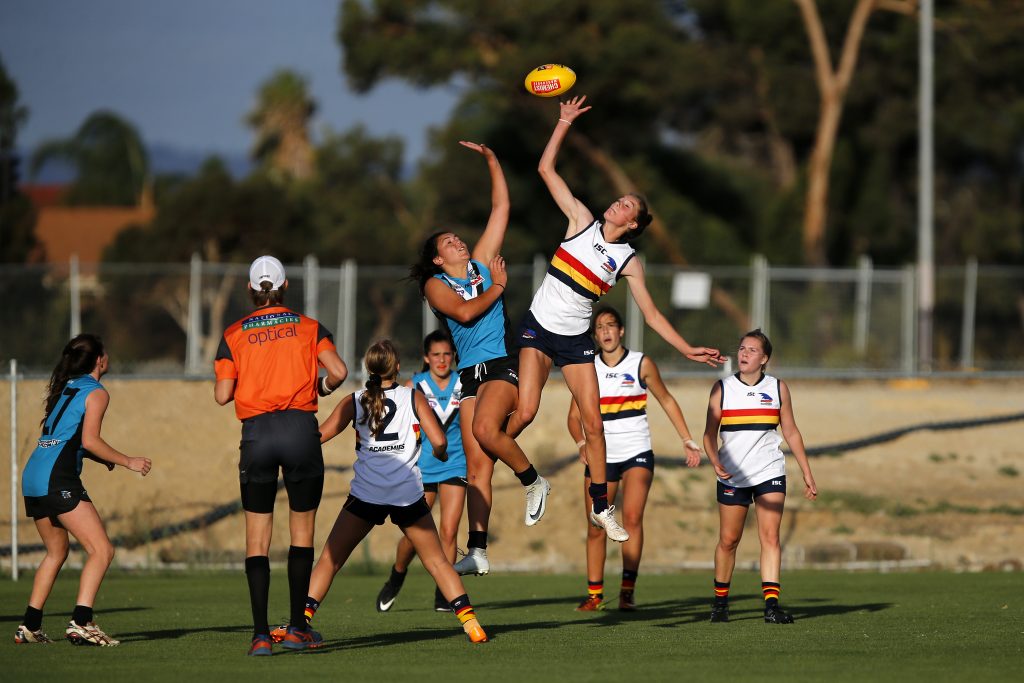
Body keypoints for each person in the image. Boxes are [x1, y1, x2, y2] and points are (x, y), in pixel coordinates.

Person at [505, 95, 724, 543]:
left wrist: (685, 347)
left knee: (593, 420)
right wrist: (563, 122)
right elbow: (546, 170)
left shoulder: (628, 260)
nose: (618, 205)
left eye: (627, 206)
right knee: (524, 411)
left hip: (574, 340)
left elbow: (652, 313)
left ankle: (602, 507)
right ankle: (507, 470)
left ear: (634, 225)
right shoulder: (580, 219)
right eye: (620, 200)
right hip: (537, 327)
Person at [409, 141, 548, 578]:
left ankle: (534, 481)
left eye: (457, 237)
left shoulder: (484, 265)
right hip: (469, 373)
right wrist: (500, 288)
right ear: (438, 258)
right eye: (448, 242)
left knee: (487, 430)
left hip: (501, 363)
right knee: (476, 469)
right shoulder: (434, 285)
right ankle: (479, 550)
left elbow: (501, 206)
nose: (458, 240)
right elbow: (466, 312)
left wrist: (492, 159)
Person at [301, 340, 488, 643]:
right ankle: (471, 624)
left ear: (368, 368)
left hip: (366, 494)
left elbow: (319, 435)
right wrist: (440, 455)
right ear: (397, 367)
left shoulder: (354, 400)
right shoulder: (413, 396)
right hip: (407, 494)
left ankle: (302, 622)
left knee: (329, 560)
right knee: (438, 562)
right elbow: (439, 441)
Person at [214, 255, 348, 656]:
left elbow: (222, 395)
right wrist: (319, 388)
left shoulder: (233, 333)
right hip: (299, 432)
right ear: (286, 286)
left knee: (257, 539)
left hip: (257, 435)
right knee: (301, 533)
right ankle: (295, 629)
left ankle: (259, 635)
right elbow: (338, 372)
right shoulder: (308, 326)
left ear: (251, 290)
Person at [16, 334, 152, 646]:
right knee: (102, 549)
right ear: (99, 360)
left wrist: (99, 457)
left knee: (56, 552)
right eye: (105, 352)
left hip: (34, 476)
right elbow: (89, 440)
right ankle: (81, 622)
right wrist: (127, 460)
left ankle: (29, 626)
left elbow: (70, 440)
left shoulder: (65, 388)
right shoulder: (97, 392)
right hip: (57, 479)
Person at [568, 307, 702, 612]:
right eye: (600, 327)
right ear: (595, 334)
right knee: (595, 524)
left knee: (632, 519)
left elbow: (666, 399)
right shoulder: (587, 368)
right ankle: (595, 594)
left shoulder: (640, 363)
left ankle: (627, 591)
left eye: (611, 325)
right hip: (602, 457)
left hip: (636, 451)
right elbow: (573, 417)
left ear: (622, 330)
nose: (605, 332)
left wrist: (686, 439)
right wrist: (580, 442)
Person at [702, 329, 818, 625]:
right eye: (742, 349)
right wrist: (714, 461)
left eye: (752, 350)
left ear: (764, 359)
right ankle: (720, 603)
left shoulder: (778, 389)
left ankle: (771, 606)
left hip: (769, 472)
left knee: (770, 537)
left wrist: (806, 471)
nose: (744, 354)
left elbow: (790, 431)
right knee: (729, 540)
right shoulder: (722, 388)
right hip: (732, 475)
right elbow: (708, 434)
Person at [375, 331, 467, 612]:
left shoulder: (463, 384)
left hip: (455, 462)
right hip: (421, 466)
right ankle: (397, 575)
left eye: (447, 354)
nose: (442, 360)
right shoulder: (414, 385)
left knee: (449, 532)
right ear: (427, 357)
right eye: (436, 355)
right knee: (416, 535)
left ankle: (444, 594)